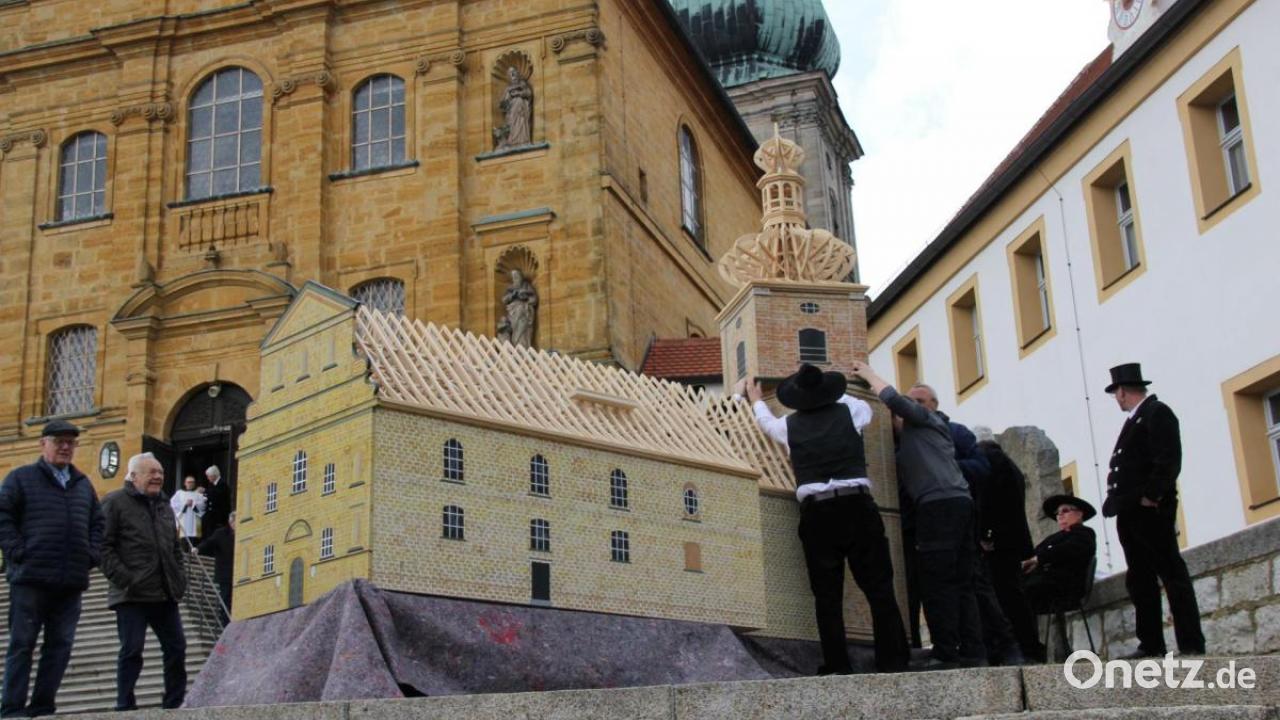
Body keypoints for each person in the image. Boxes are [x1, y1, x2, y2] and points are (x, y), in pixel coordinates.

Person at [739, 365, 909, 674]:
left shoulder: (789, 425)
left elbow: (766, 424)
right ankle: (893, 660)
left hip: (818, 514)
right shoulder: (852, 410)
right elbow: (862, 407)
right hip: (857, 506)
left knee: (827, 596)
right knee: (879, 587)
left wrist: (755, 398)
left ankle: (837, 664)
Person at [850, 361, 984, 668]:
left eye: (913, 403)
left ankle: (945, 652)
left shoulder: (927, 420)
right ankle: (974, 652)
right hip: (958, 503)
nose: (902, 413)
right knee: (962, 581)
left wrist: (868, 375)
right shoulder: (916, 438)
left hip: (938, 507)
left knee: (936, 582)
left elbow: (895, 401)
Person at [0, 420, 104, 718]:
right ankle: (12, 708)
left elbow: (98, 524)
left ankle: (43, 705)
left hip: (70, 580)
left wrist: (91, 555)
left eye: (71, 442)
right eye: (59, 441)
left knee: (60, 647)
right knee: (22, 644)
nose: (66, 447)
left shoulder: (83, 484)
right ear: (42, 443)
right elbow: (3, 516)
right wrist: (17, 551)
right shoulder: (20, 478)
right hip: (30, 578)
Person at [1100, 363, 1204, 658]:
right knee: (1140, 578)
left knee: (1170, 573)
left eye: (1115, 393)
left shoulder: (1157, 413)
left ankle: (1190, 642)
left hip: (1149, 510)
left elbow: (1168, 458)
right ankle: (1151, 643)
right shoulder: (1136, 419)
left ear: (1121, 392)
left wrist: (1151, 495)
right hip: (1130, 510)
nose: (1116, 399)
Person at [100, 453, 188, 711]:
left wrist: (179, 578)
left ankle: (173, 704)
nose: (158, 477)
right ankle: (124, 706)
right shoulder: (114, 502)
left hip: (164, 591)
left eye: (160, 472)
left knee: (177, 649)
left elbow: (174, 547)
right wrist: (125, 579)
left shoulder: (164, 505)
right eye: (152, 472)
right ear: (134, 475)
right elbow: (102, 546)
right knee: (132, 650)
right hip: (131, 594)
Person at [975, 438, 1044, 662]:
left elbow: (990, 501)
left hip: (998, 543)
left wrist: (985, 533)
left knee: (1004, 597)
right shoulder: (1009, 464)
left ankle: (1016, 648)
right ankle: (1029, 647)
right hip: (1012, 541)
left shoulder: (990, 461)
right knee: (1014, 596)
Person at [1022, 494, 1098, 611]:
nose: (1060, 515)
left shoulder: (1084, 534)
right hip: (1045, 585)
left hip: (1066, 589)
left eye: (1065, 510)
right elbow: (1035, 552)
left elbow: (1066, 550)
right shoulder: (1053, 538)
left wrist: (1039, 559)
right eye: (1057, 513)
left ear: (1079, 514)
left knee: (1019, 593)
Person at [196, 512, 236, 625]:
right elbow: (209, 543)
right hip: (225, 574)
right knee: (226, 599)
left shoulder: (244, 533)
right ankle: (225, 623)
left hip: (238, 573)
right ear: (231, 522)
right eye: (236, 521)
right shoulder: (221, 533)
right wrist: (198, 549)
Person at [170, 475, 206, 544]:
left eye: (192, 482)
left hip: (195, 523)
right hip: (184, 523)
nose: (190, 484)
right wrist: (185, 504)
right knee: (183, 544)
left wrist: (193, 504)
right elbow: (172, 505)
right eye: (189, 482)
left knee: (194, 545)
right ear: (185, 483)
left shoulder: (198, 494)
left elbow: (203, 506)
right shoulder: (179, 493)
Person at [202, 465, 230, 540]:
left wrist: (205, 491)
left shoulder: (222, 484)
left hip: (219, 517)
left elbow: (217, 495)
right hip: (211, 516)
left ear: (213, 475)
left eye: (208, 476)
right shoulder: (212, 485)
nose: (208, 479)